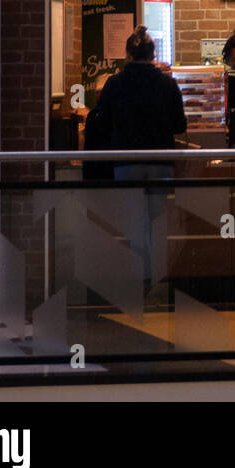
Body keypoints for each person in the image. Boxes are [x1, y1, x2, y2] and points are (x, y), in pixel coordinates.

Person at [83, 27, 187, 293]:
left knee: (134, 220)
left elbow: (102, 123)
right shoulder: (167, 84)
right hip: (161, 160)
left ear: (127, 54)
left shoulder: (115, 84)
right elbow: (179, 124)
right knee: (157, 219)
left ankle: (140, 277)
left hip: (126, 161)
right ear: (154, 55)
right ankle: (159, 276)